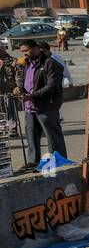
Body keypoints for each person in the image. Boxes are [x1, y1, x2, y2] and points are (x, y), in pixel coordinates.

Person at [13, 40, 67, 168]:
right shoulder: (26, 64)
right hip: (29, 107)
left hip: (46, 106)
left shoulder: (50, 64)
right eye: (22, 52)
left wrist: (32, 95)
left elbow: (52, 86)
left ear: (37, 48)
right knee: (31, 136)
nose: (24, 54)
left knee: (53, 137)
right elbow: (24, 80)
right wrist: (19, 88)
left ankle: (57, 161)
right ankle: (33, 162)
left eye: (26, 50)